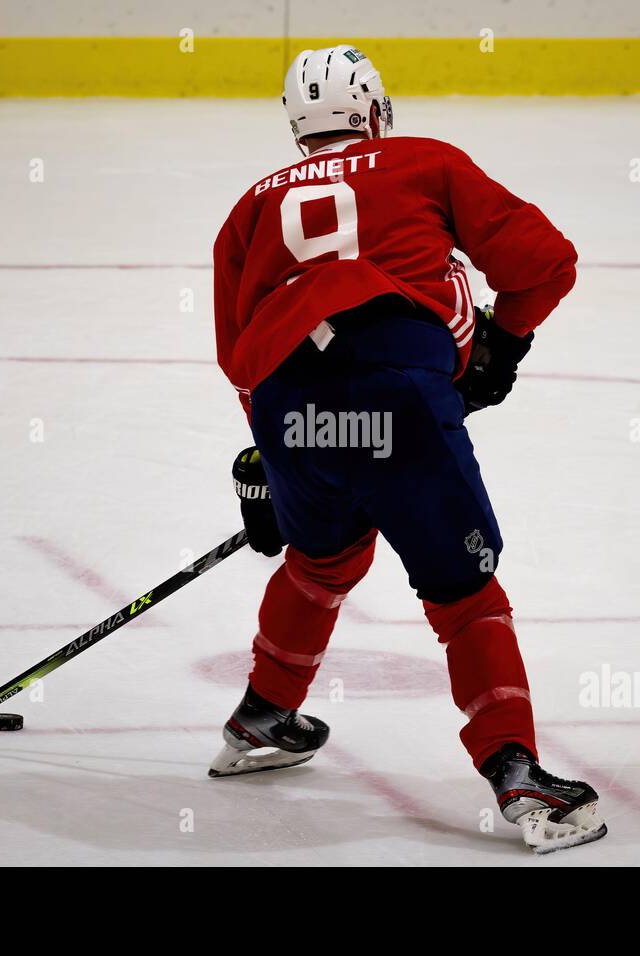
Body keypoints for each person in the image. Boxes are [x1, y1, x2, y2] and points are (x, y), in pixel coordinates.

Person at [208, 44, 605, 853]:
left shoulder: (250, 206)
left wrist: (270, 464)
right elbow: (548, 264)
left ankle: (261, 716)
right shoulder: (424, 161)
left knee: (320, 562)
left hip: (291, 411)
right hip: (398, 396)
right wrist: (506, 343)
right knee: (467, 594)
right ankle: (518, 775)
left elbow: (240, 354)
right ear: (376, 113)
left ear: (297, 130)